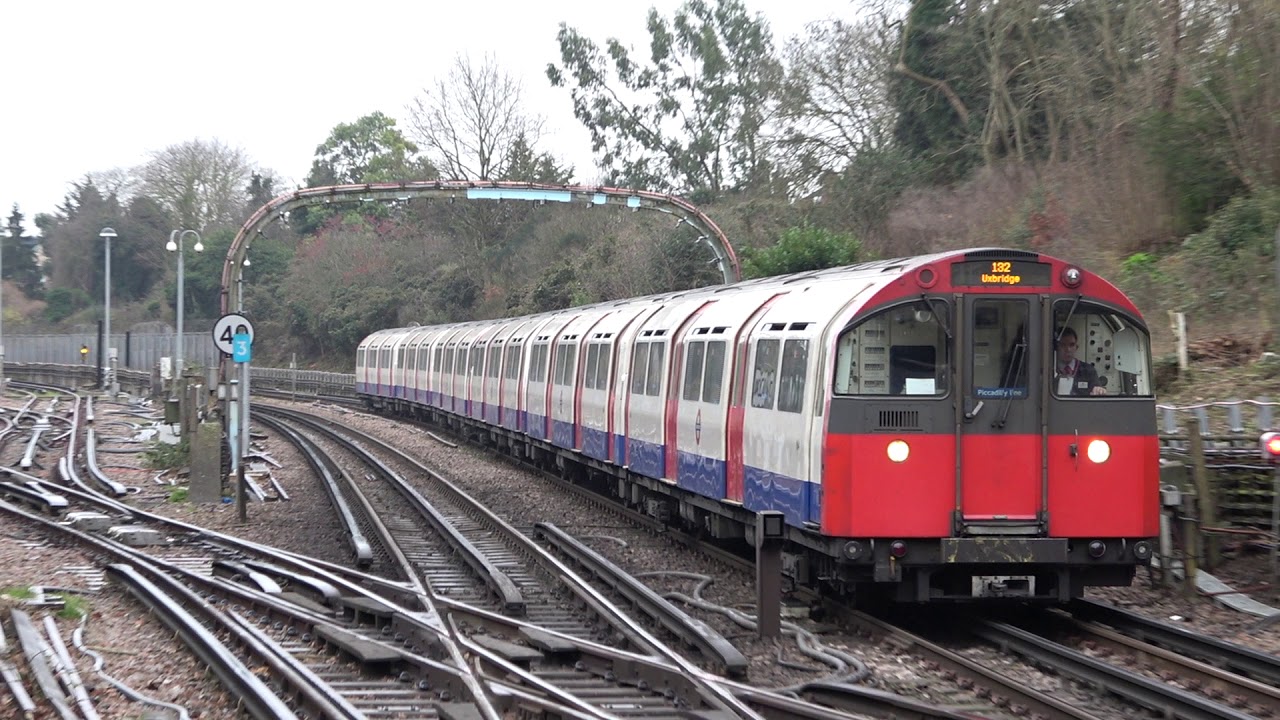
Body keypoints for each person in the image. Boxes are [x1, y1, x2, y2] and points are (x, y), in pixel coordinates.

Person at [1054, 327, 1106, 396]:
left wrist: (1099, 390)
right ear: (1056, 347)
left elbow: (1097, 389)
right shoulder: (1049, 369)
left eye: (1071, 345)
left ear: (1076, 347)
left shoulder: (1088, 370)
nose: (1068, 349)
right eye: (1063, 345)